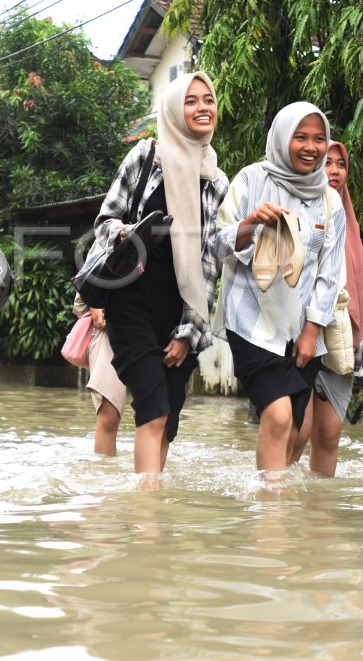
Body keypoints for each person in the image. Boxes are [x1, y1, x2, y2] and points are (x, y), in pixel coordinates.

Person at [93, 72, 228, 479]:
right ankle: (147, 521)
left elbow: (210, 263)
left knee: (166, 421)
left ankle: (147, 508)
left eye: (208, 100)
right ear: (173, 109)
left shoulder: (216, 180)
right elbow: (104, 222)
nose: (202, 107)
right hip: (131, 301)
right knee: (152, 409)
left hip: (180, 310)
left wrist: (189, 332)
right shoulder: (145, 157)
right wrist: (125, 233)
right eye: (191, 101)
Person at [212, 102, 346, 477]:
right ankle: (273, 520)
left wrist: (311, 331)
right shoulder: (252, 180)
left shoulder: (329, 200)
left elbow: (329, 274)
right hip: (251, 320)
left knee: (296, 430)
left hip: (301, 331)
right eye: (300, 137)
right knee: (278, 414)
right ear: (282, 137)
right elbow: (215, 245)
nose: (311, 147)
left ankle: (271, 495)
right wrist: (250, 224)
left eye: (319, 139)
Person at [288, 141, 363, 476]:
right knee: (298, 430)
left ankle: (318, 515)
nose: (335, 171)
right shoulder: (299, 211)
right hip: (301, 336)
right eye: (327, 163)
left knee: (329, 433)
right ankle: (277, 502)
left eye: (341, 164)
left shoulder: (348, 220)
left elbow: (351, 283)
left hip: (340, 339)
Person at [72, 295, 128, 456]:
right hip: (110, 320)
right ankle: (103, 475)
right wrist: (93, 303)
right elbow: (86, 277)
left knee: (158, 417)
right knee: (109, 413)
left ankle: (151, 478)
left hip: (157, 320)